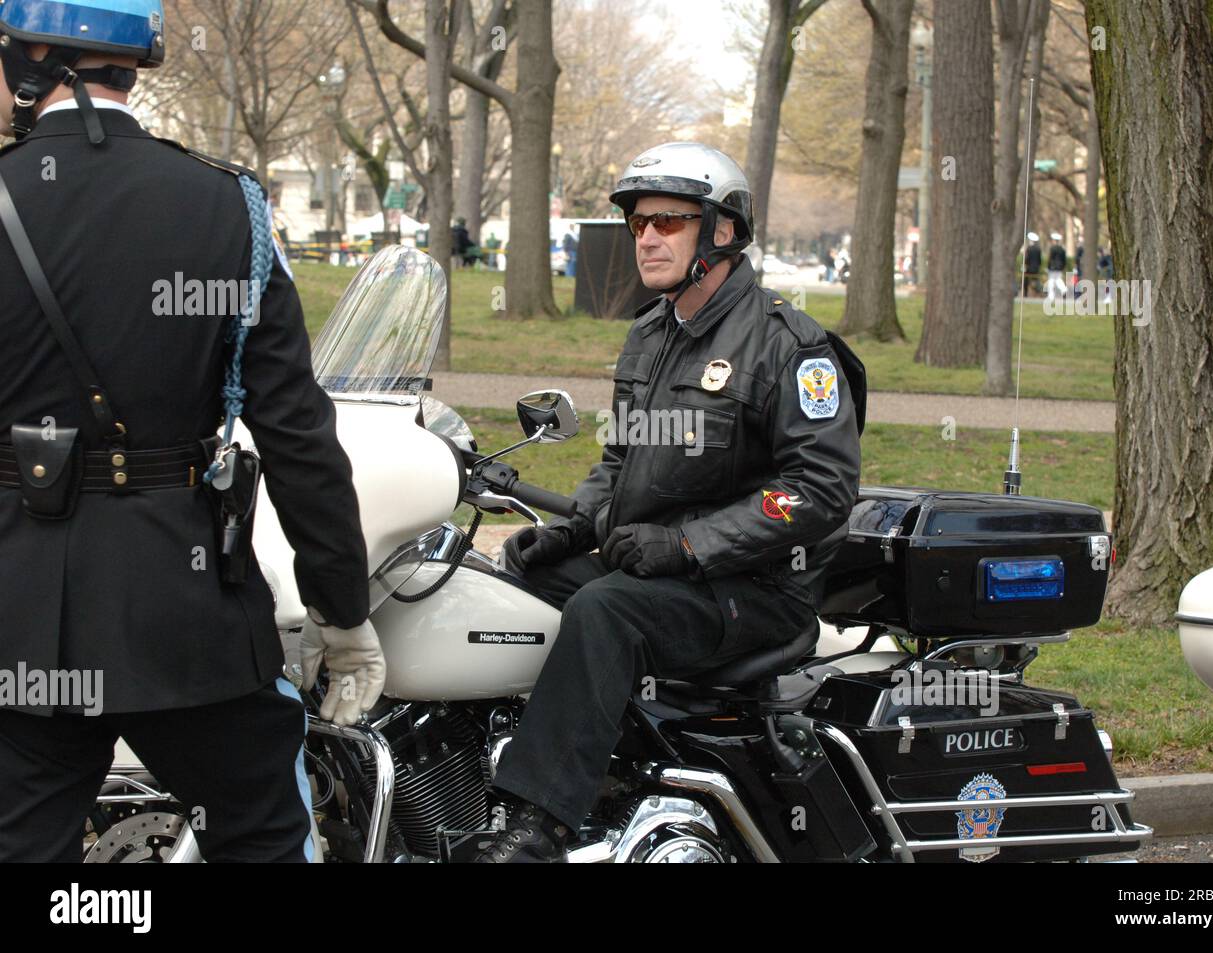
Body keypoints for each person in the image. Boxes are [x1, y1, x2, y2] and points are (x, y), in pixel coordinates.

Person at [0, 0, 382, 862]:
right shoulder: (231, 207)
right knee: (267, 833)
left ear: (33, 61)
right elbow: (297, 437)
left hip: (21, 625)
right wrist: (342, 611)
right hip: (188, 616)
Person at [473, 141, 864, 862]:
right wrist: (570, 529)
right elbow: (620, 460)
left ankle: (536, 827)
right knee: (501, 581)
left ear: (720, 231)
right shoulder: (651, 335)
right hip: (664, 572)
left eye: (668, 221)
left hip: (756, 589)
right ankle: (484, 771)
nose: (646, 237)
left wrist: (689, 545)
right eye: (639, 223)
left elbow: (820, 490)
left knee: (604, 610)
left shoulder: (790, 346)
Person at [1045, 231, 1068, 303]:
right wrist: (1063, 267)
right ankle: (1064, 289)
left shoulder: (1052, 248)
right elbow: (1064, 260)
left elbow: (1050, 258)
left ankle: (1051, 296)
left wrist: (1048, 267)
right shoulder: (1062, 249)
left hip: (1052, 267)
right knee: (1058, 280)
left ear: (1054, 240)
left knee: (1051, 281)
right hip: (1060, 267)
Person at [1023, 232, 1042, 296]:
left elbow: (1026, 259)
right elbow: (1039, 260)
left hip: (1029, 268)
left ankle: (1025, 293)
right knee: (1036, 281)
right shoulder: (1038, 249)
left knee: (1025, 280)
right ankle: (1038, 293)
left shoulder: (1028, 249)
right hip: (1036, 268)